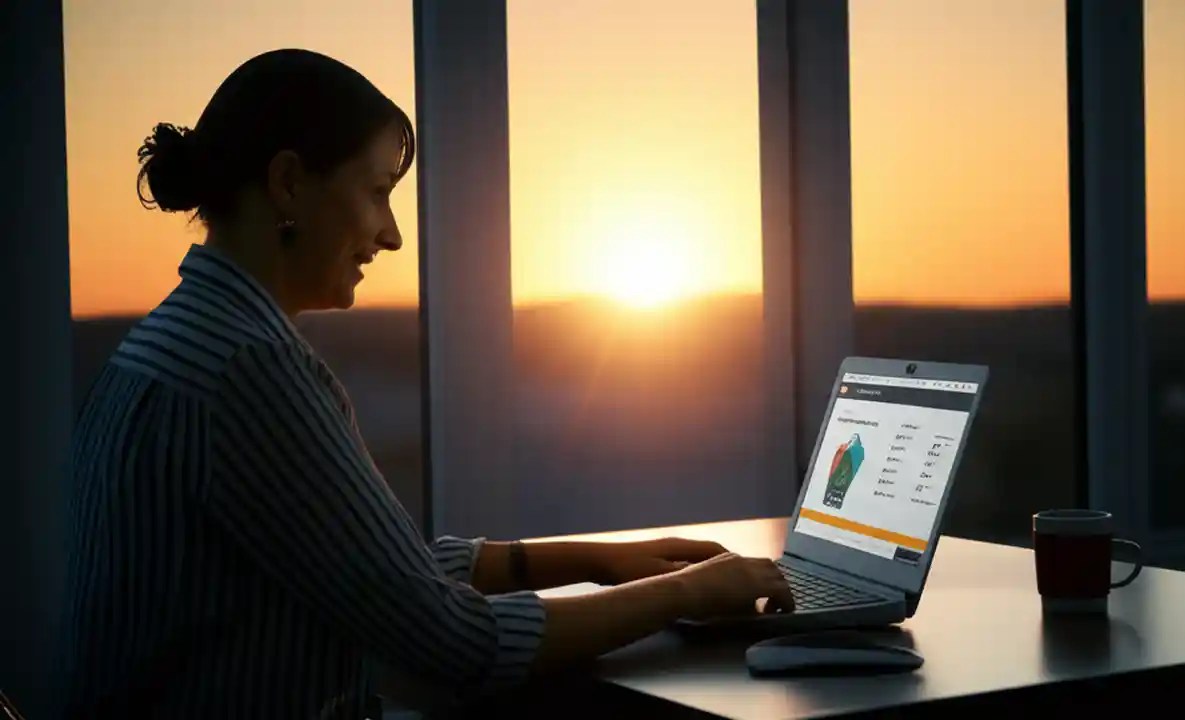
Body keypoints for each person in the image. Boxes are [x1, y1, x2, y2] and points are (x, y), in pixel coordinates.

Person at [60, 48, 794, 719]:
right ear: (288, 182)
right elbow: (454, 642)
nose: (391, 234)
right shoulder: (252, 370)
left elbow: (373, 567)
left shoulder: (173, 341)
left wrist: (599, 560)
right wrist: (687, 594)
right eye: (377, 192)